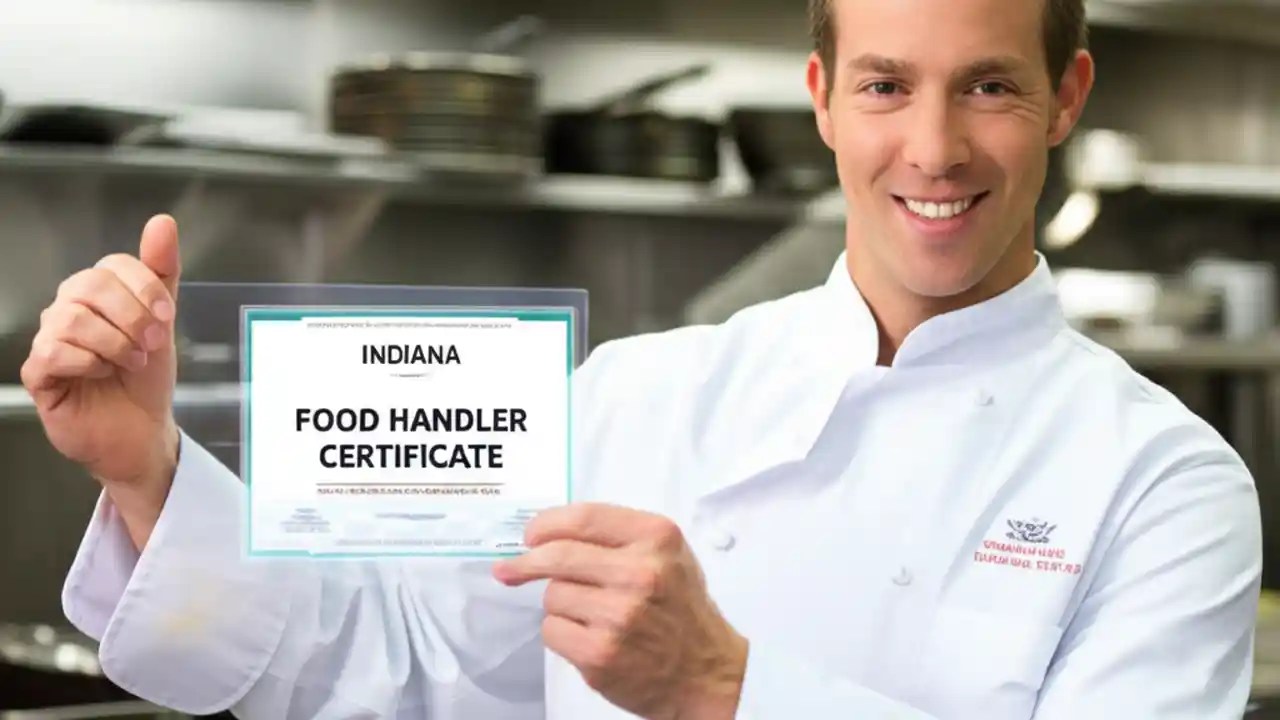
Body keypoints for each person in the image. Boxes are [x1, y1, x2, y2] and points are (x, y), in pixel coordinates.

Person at [22, 0, 1262, 717]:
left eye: (987, 86)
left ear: (1066, 96)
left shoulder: (1165, 482)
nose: (931, 148)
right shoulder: (628, 389)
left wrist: (723, 686)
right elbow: (383, 649)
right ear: (823, 98)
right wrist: (151, 470)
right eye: (886, 86)